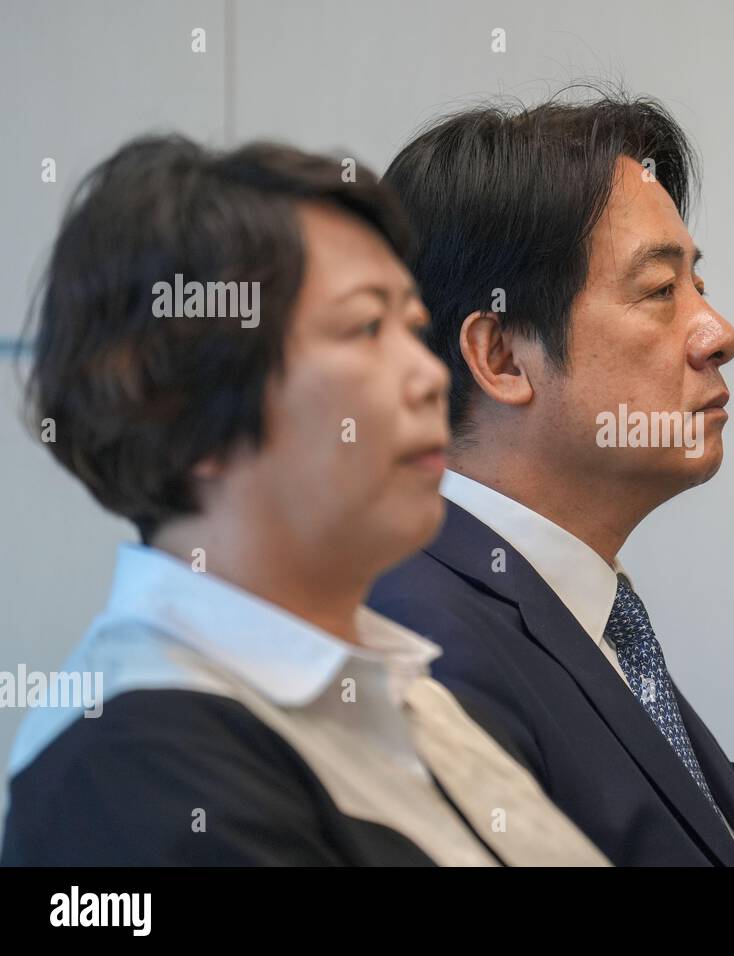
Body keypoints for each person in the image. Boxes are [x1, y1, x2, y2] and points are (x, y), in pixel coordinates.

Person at [1, 135, 607, 866]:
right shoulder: (123, 767)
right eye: (364, 329)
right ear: (186, 405)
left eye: (413, 330)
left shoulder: (410, 691)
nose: (429, 377)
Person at [369, 91, 734, 866]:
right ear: (500, 358)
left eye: (700, 284)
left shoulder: (590, 620)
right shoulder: (423, 649)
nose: (718, 333)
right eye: (662, 291)